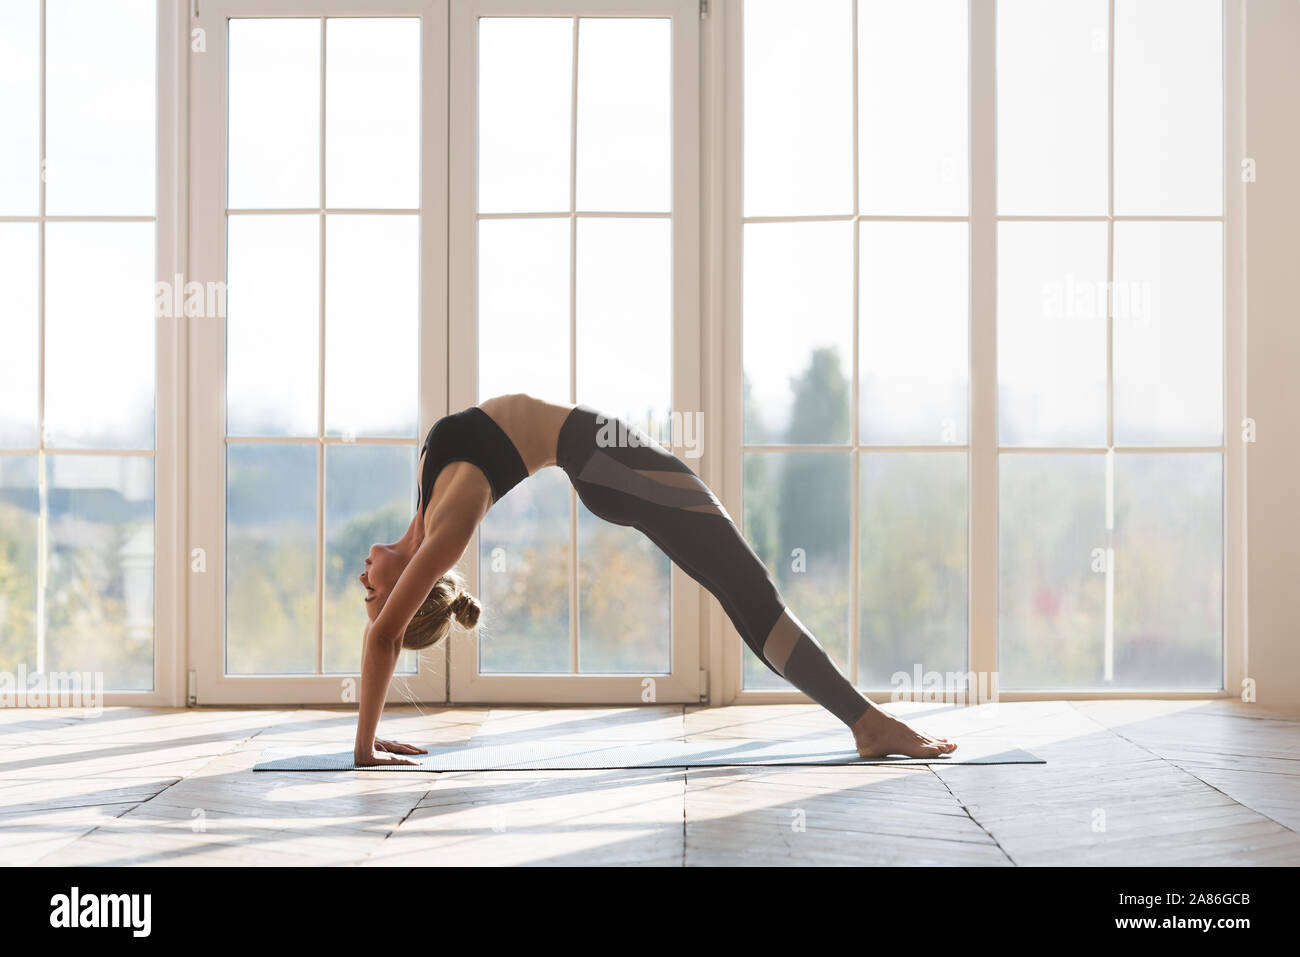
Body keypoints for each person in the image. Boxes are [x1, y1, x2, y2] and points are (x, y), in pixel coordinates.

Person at [354, 393, 956, 766]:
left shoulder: (427, 513)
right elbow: (383, 638)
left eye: (368, 592)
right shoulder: (448, 527)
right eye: (374, 593)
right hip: (602, 460)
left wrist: (369, 731)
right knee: (748, 588)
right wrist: (365, 745)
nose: (364, 578)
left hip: (602, 461)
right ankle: (869, 724)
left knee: (741, 590)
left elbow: (385, 629)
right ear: (413, 587)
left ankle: (865, 722)